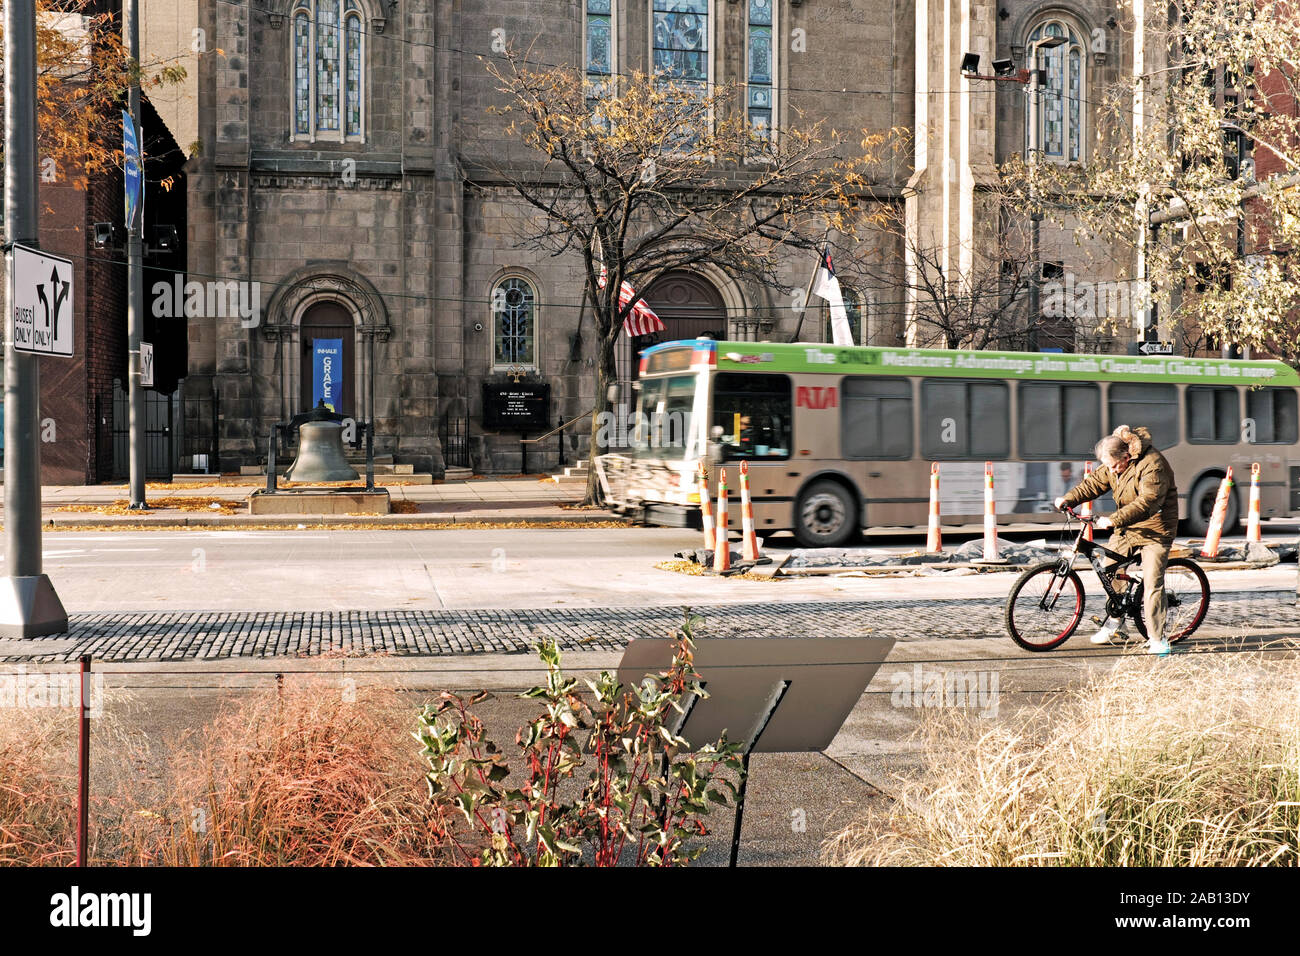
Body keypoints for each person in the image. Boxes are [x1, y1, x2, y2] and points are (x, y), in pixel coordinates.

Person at [1053, 425, 1180, 655]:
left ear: (1127, 456)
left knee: (1152, 584)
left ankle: (1158, 639)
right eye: (1107, 467)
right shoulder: (1113, 465)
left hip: (1156, 530)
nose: (1110, 471)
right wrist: (1069, 499)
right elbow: (1093, 484)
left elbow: (1148, 502)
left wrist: (1114, 519)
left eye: (1113, 466)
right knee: (1108, 568)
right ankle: (1116, 622)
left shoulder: (1153, 464)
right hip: (1128, 527)